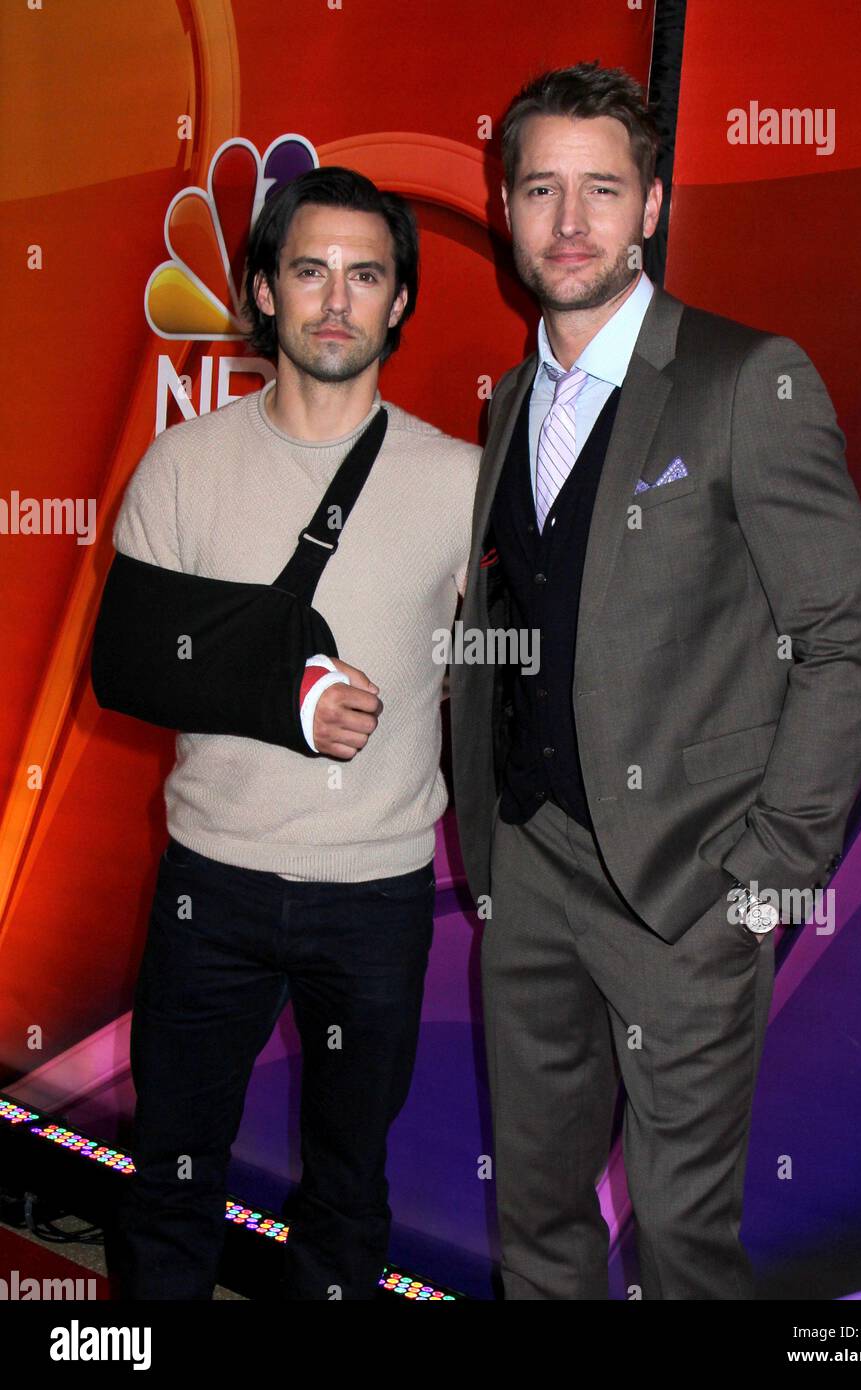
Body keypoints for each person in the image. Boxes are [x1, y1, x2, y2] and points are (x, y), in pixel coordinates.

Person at [449, 61, 861, 1300]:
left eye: (604, 188)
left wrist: (765, 881)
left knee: (688, 1250)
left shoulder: (750, 379)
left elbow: (846, 641)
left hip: (690, 889)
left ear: (653, 206)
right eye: (543, 189)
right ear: (504, 206)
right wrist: (487, 839)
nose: (572, 221)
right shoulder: (511, 401)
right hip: (526, 867)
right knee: (538, 1228)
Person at [99, 166, 479, 1299]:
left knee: (347, 1189)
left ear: (401, 303)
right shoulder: (184, 461)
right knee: (170, 1176)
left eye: (367, 275)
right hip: (208, 884)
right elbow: (125, 665)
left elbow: (510, 681)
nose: (335, 300)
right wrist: (290, 696)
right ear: (262, 289)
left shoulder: (462, 483)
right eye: (309, 269)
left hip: (375, 895)